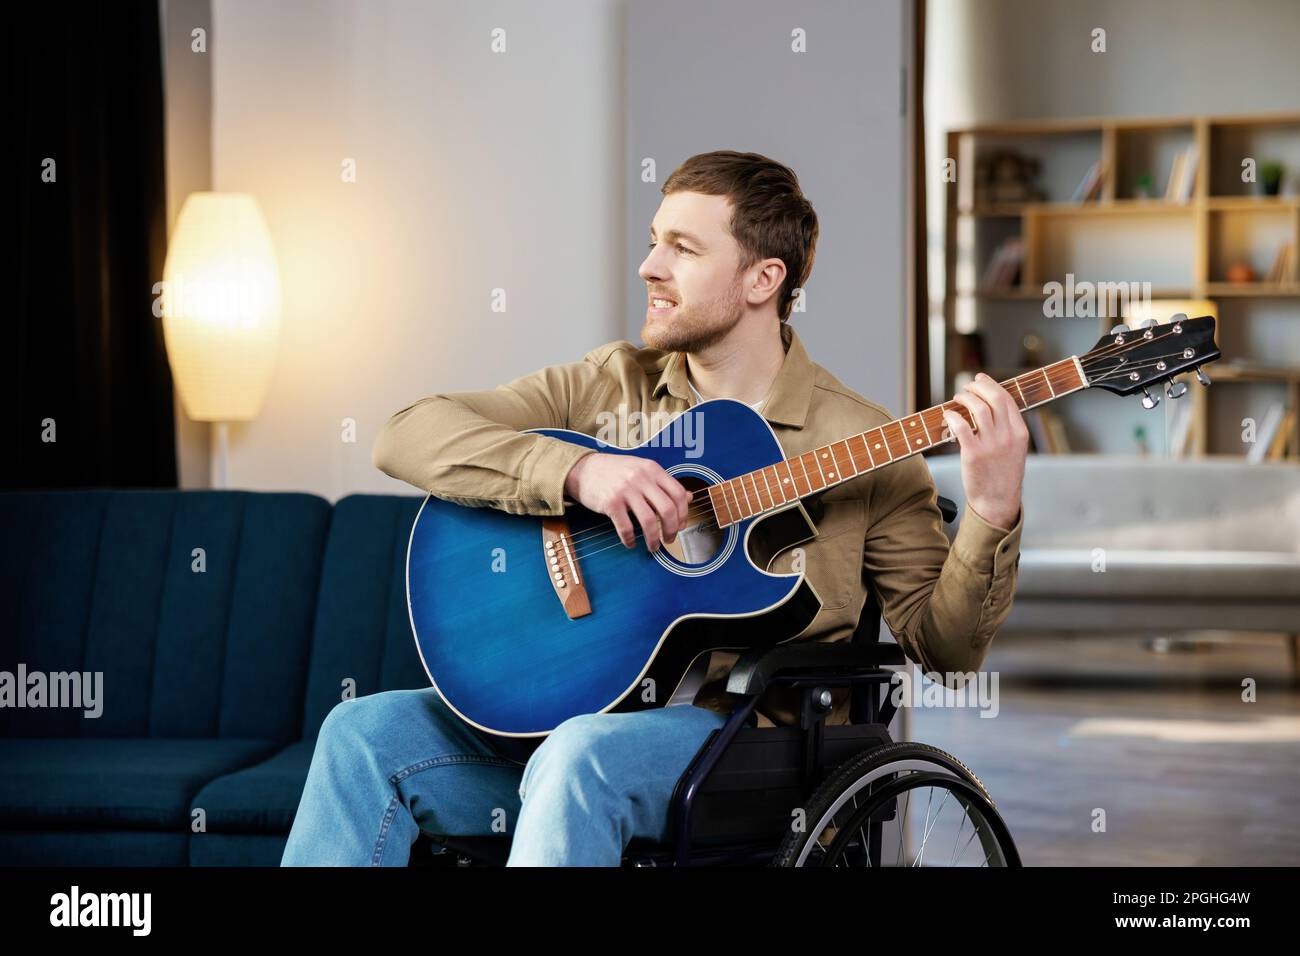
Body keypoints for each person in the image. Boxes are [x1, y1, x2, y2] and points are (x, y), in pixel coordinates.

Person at [281, 150, 1028, 867]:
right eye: (651, 243)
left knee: (579, 754)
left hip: (744, 745)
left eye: (681, 248)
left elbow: (949, 651)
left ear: (763, 278)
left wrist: (993, 506)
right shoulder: (610, 386)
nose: (649, 267)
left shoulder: (864, 439)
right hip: (574, 727)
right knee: (362, 731)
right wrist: (579, 470)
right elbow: (406, 432)